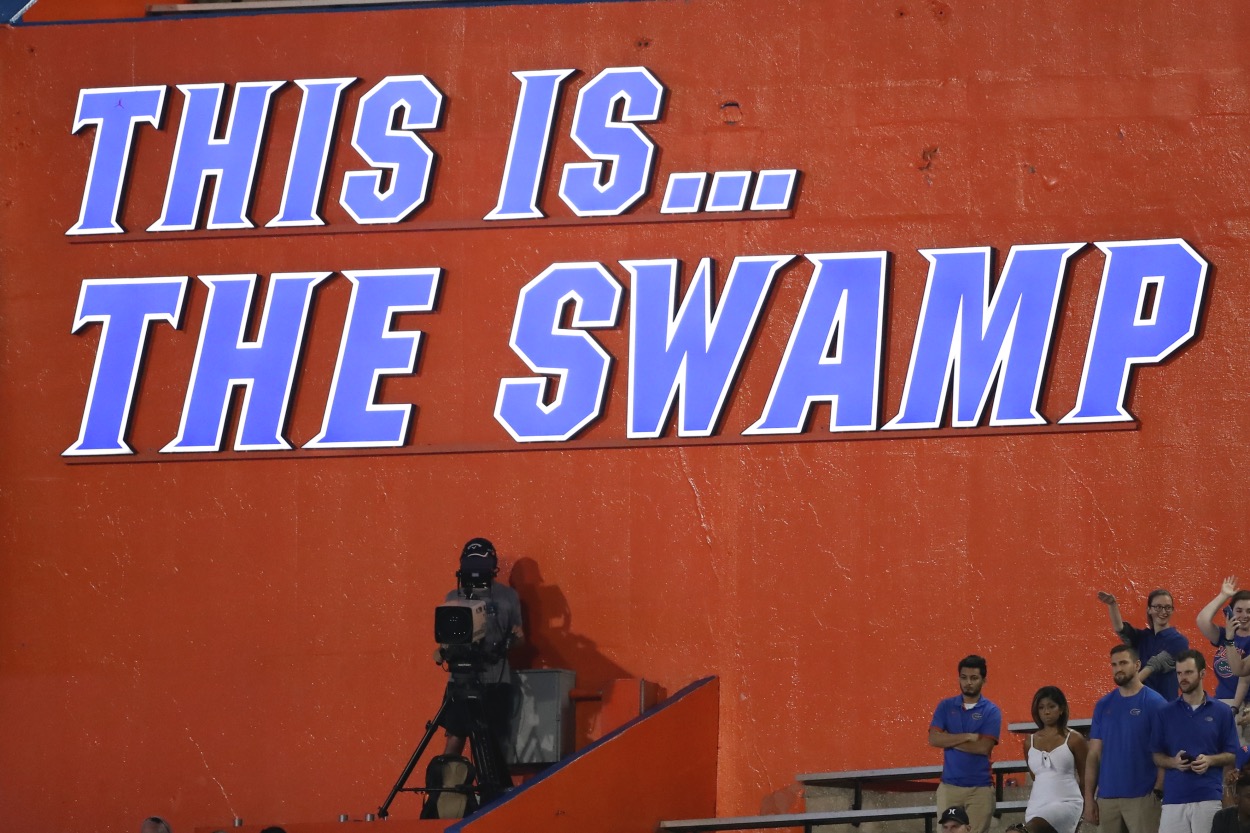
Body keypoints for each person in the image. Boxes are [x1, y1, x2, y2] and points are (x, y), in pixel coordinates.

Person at [435, 538, 525, 760]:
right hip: (461, 680)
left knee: (494, 744)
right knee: (455, 738)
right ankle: (447, 790)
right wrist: (444, 650)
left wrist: (516, 639)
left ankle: (493, 795)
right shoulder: (453, 597)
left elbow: (519, 639)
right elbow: (447, 640)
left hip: (496, 680)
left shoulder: (508, 597)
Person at [1151, 650, 1240, 833]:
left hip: (1208, 798)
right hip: (1173, 800)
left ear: (1202, 673)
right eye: (1179, 673)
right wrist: (1174, 763)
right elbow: (1157, 755)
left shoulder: (1222, 712)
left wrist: (1210, 760)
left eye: (1188, 672)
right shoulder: (1164, 713)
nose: (1183, 678)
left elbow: (1232, 754)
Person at [1083, 644, 1167, 833]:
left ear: (1137, 665)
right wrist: (1089, 799)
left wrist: (1158, 790)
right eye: (1114, 664)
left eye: (1123, 663)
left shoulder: (1156, 703)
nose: (1118, 668)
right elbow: (1093, 755)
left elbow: (1166, 749)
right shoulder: (1103, 706)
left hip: (1143, 798)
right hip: (1107, 799)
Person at [929, 655, 1002, 833]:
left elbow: (983, 747)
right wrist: (968, 736)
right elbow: (934, 739)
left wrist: (949, 739)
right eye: (964, 677)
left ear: (984, 680)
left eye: (974, 678)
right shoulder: (945, 706)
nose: (968, 682)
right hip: (949, 788)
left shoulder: (991, 711)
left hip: (980, 789)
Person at [1099, 588, 1190, 701]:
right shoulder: (1143, 637)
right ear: (1149, 610)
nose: (1163, 611)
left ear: (1172, 610)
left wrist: (1126, 690)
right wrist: (1112, 605)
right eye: (1158, 607)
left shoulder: (1179, 641)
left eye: (1167, 607)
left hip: (1165, 706)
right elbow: (1120, 629)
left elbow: (1154, 665)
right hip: (1140, 705)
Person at [1018, 686, 1086, 833]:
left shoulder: (1074, 739)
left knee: (1024, 831)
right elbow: (1035, 776)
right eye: (1041, 707)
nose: (1046, 712)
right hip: (1036, 805)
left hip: (1066, 803)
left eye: (1051, 706)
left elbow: (1085, 778)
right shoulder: (1029, 741)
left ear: (1061, 709)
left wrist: (1084, 811)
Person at [1195, 578, 1250, 710]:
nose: (1244, 615)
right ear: (1231, 612)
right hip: (1221, 702)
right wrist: (1223, 595)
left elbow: (1240, 671)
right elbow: (1202, 620)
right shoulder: (1226, 635)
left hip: (1245, 705)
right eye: (1239, 610)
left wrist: (1229, 640)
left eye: (1249, 611)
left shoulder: (1230, 638)